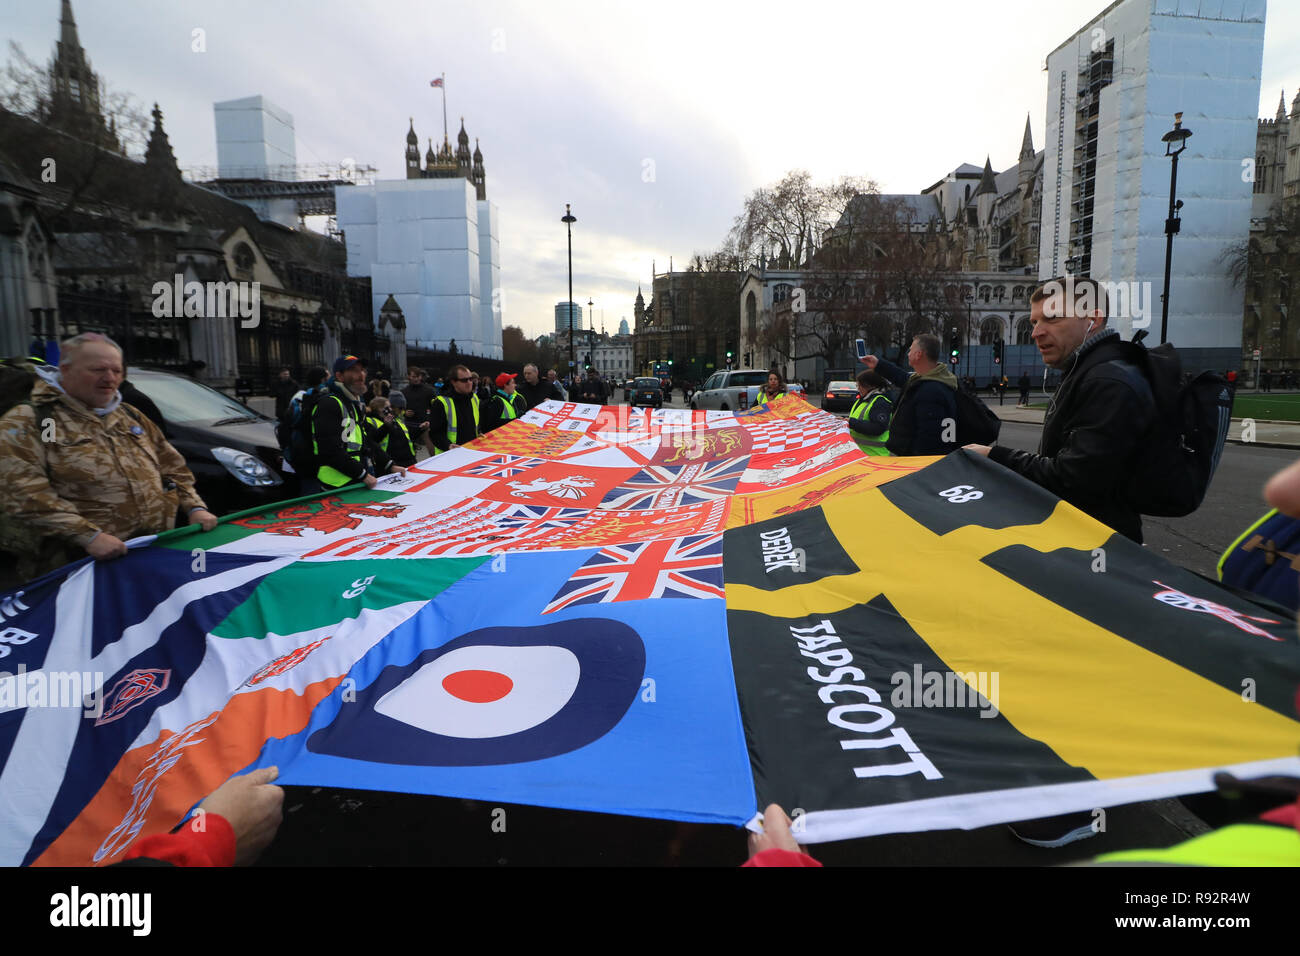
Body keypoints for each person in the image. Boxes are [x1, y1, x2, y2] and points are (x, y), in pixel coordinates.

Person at [0, 332, 217, 584]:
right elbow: (24, 493)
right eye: (98, 369)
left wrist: (195, 506)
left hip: (145, 555)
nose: (110, 379)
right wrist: (88, 536)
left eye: (117, 370)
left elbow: (172, 465)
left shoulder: (128, 415)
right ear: (65, 370)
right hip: (75, 566)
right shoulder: (33, 419)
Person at [965, 276, 1156, 546]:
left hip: (1096, 547)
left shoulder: (1107, 381)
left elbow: (1074, 479)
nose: (1036, 333)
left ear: (1094, 319)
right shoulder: (1088, 370)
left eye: (1052, 318)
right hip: (1078, 538)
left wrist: (993, 455)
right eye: (1033, 322)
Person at [306, 355, 404, 494]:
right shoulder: (329, 404)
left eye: (362, 370)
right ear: (340, 376)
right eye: (353, 370)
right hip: (336, 485)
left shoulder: (351, 403)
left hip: (353, 480)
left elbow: (364, 440)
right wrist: (362, 474)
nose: (361, 375)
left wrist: (389, 464)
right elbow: (330, 450)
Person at [858, 333, 959, 456]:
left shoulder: (931, 390)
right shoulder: (927, 380)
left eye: (911, 350)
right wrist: (878, 365)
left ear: (919, 354)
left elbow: (930, 440)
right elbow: (902, 377)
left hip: (917, 464)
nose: (908, 353)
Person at [424, 363, 482, 454]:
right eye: (464, 380)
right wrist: (448, 445)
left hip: (471, 451)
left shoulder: (474, 398)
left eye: (471, 379)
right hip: (449, 455)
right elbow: (435, 433)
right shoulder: (441, 403)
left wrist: (478, 433)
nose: (469, 383)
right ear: (453, 382)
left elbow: (475, 423)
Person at [847, 370, 893, 456]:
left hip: (876, 456)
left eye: (860, 385)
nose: (858, 388)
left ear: (869, 386)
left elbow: (877, 428)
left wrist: (850, 422)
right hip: (861, 455)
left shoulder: (880, 403)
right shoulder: (862, 400)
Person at [364, 395, 417, 468]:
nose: (390, 409)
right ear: (379, 408)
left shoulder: (393, 419)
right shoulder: (370, 421)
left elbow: (405, 437)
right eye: (387, 407)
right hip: (390, 463)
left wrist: (420, 429)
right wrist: (386, 426)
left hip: (408, 461)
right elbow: (373, 439)